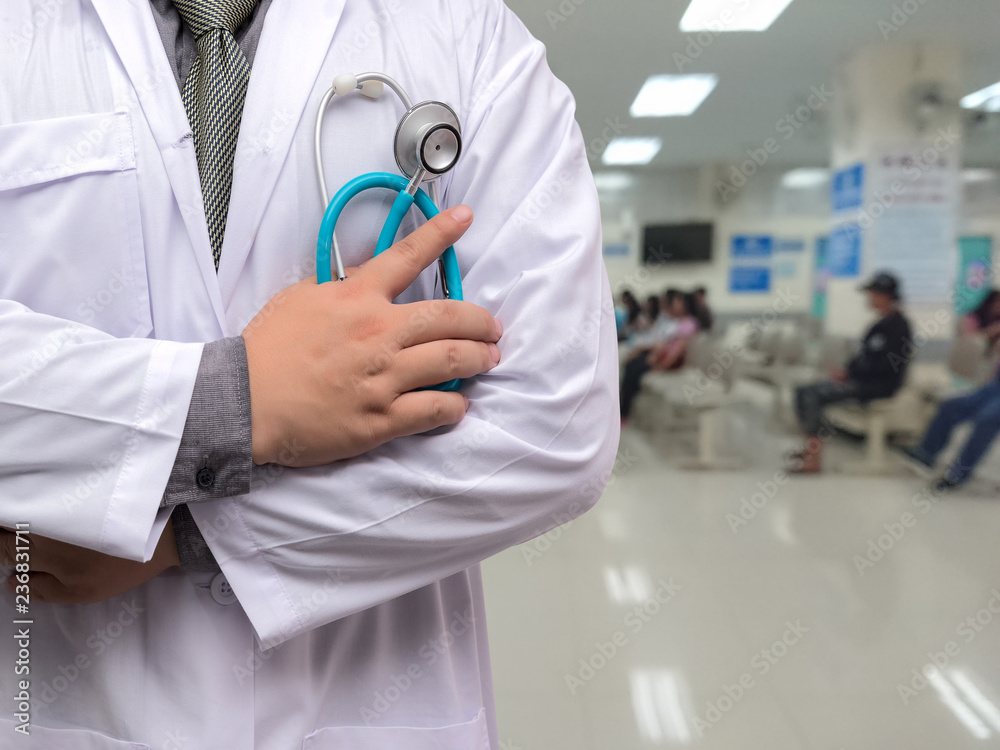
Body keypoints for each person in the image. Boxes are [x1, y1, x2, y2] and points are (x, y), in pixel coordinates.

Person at [0, 2, 619, 747]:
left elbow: (555, 419)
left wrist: (186, 535)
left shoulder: (465, 32)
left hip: (370, 702)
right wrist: (235, 402)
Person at [788, 272, 912, 473]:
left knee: (813, 395)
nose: (869, 299)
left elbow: (887, 366)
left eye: (872, 295)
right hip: (863, 381)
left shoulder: (899, 327)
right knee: (802, 391)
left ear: (885, 296)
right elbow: (864, 357)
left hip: (879, 386)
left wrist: (852, 376)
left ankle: (814, 458)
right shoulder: (879, 325)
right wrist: (846, 372)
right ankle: (810, 446)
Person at [900, 288, 1000, 491]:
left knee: (986, 419)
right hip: (995, 386)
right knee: (950, 406)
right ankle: (926, 453)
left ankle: (959, 473)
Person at [620, 292, 699, 421]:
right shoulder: (674, 321)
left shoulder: (688, 324)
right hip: (661, 355)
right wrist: (654, 354)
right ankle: (624, 408)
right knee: (631, 366)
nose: (675, 305)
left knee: (635, 371)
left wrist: (661, 366)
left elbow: (678, 350)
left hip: (670, 361)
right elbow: (665, 343)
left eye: (678, 302)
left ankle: (625, 412)